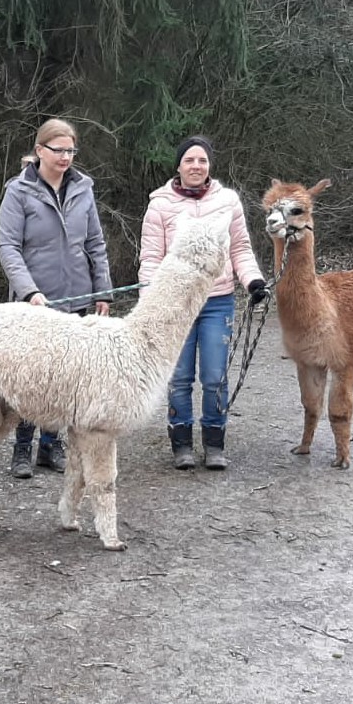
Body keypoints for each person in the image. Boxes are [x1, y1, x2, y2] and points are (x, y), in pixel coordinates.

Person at [138, 135, 266, 471]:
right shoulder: (160, 205)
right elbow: (151, 257)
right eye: (190, 160)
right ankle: (181, 443)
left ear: (209, 165)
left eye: (202, 161)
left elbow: (239, 248)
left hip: (217, 300)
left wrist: (252, 280)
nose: (196, 166)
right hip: (175, 303)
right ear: (178, 165)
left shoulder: (228, 201)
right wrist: (149, 298)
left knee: (214, 375)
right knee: (179, 376)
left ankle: (214, 442)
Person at [0, 118, 113, 479]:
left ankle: (51, 446)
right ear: (39, 151)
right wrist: (29, 290)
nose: (65, 157)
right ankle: (21, 446)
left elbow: (95, 243)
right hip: (34, 304)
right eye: (58, 150)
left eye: (71, 150)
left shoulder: (84, 189)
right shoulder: (18, 191)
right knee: (31, 376)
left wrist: (103, 290)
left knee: (65, 378)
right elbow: (8, 246)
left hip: (77, 297)